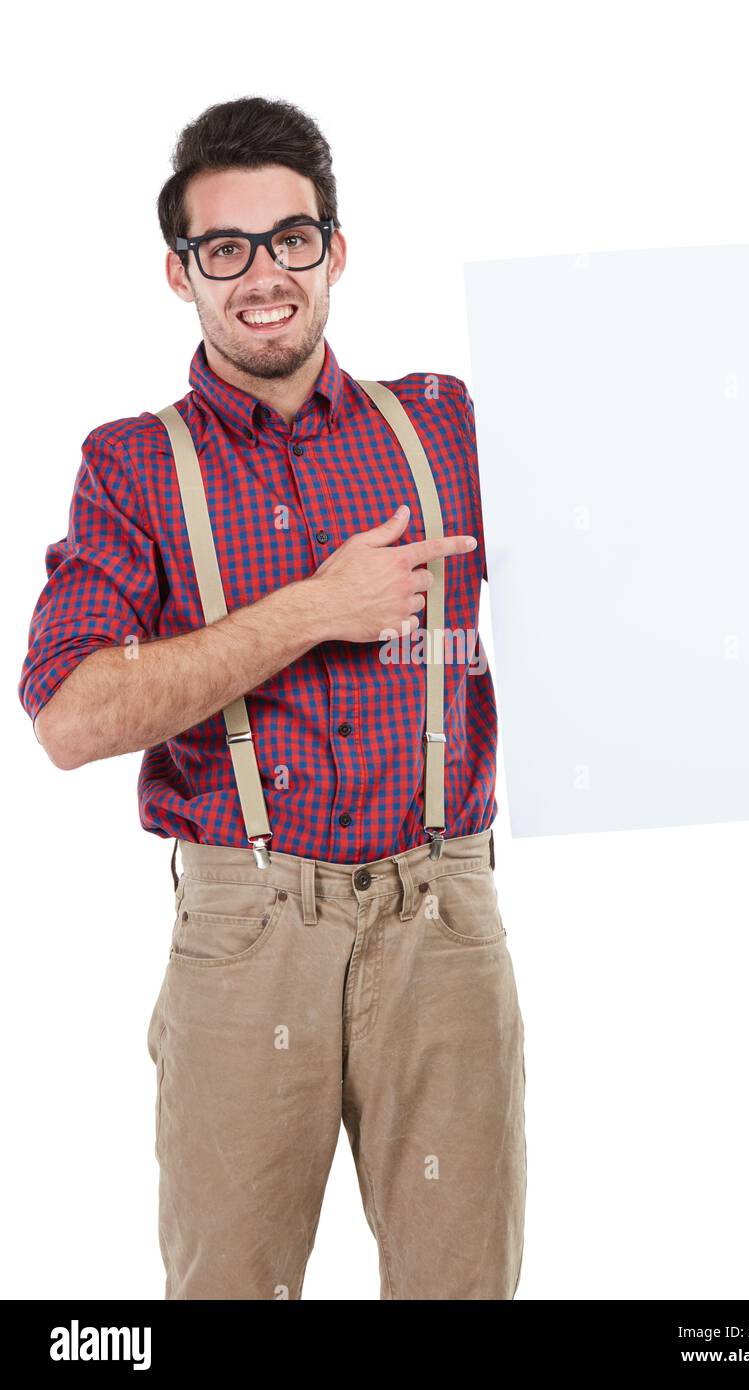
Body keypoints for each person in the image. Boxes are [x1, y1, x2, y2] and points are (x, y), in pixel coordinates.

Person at [17, 96, 527, 1301]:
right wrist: (310, 608)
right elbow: (69, 717)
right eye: (224, 248)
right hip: (249, 935)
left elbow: (628, 499)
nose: (262, 274)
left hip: (443, 921)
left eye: (289, 239)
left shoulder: (439, 424)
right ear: (179, 272)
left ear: (333, 251)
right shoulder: (133, 464)